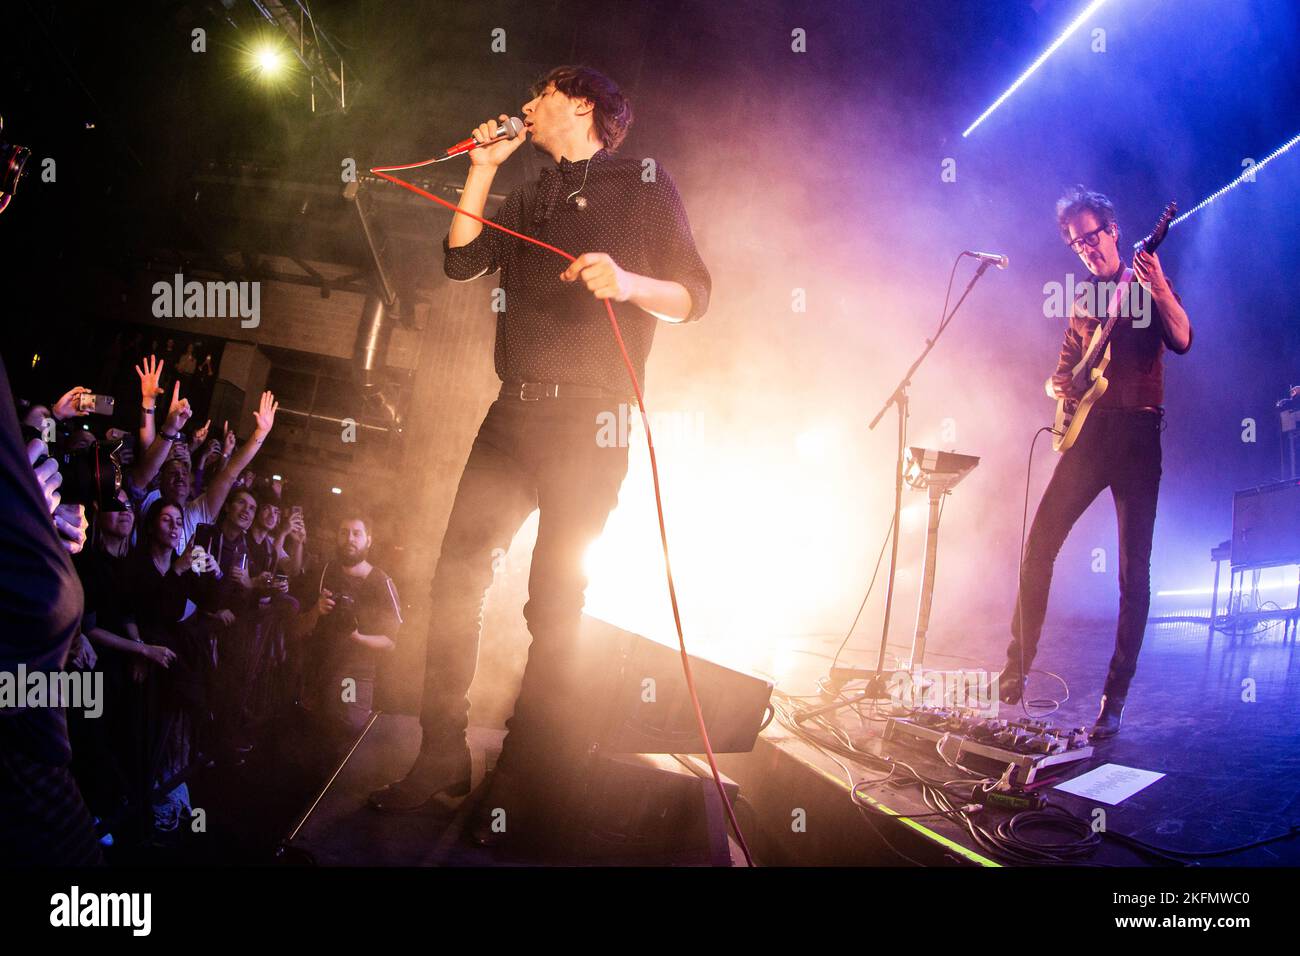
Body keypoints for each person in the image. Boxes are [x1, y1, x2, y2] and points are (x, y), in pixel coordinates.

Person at [368, 65, 710, 835]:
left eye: (541, 95)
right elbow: (461, 259)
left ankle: (526, 771)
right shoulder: (531, 190)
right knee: (454, 580)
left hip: (592, 424)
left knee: (554, 603)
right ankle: (440, 754)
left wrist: (628, 281)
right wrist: (481, 172)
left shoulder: (645, 185)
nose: (525, 106)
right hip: (511, 415)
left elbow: (695, 296)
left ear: (580, 104)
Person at [1000, 186, 1192, 738]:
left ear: (1114, 231)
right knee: (1039, 546)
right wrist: (1058, 384)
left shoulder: (1146, 280)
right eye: (1076, 242)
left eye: (1092, 236)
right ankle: (1014, 672)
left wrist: (1157, 287)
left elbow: (1182, 338)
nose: (1086, 248)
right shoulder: (1081, 299)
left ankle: (1115, 698)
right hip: (1088, 435)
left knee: (1134, 573)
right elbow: (1061, 371)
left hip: (1136, 435)